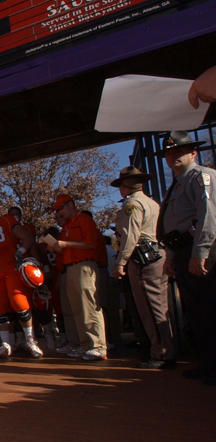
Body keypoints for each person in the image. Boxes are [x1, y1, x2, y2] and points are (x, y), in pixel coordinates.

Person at [157, 131, 216, 384]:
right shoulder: (176, 184)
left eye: (179, 151)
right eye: (170, 153)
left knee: (210, 308)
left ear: (193, 153)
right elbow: (172, 225)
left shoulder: (202, 176)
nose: (174, 156)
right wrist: (170, 256)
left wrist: (200, 252)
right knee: (196, 311)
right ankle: (208, 363)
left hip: (198, 249)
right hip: (181, 251)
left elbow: (208, 216)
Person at [111, 166, 175, 369]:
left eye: (121, 185)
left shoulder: (132, 204)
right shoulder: (152, 203)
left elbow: (131, 236)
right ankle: (165, 350)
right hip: (156, 256)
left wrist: (121, 262)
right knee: (160, 306)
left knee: (150, 308)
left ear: (125, 186)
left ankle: (161, 353)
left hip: (144, 260)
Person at [0, 202, 44, 359]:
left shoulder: (6, 221)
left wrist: (21, 251)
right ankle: (6, 344)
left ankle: (31, 341)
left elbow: (27, 237)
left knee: (20, 303)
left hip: (11, 269)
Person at [47, 194, 107, 360]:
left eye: (60, 209)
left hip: (84, 265)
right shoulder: (67, 226)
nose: (59, 213)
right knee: (76, 309)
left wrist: (66, 244)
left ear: (70, 205)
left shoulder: (84, 220)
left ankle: (98, 345)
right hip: (69, 267)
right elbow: (64, 248)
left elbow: (91, 243)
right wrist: (55, 247)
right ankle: (83, 344)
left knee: (88, 306)